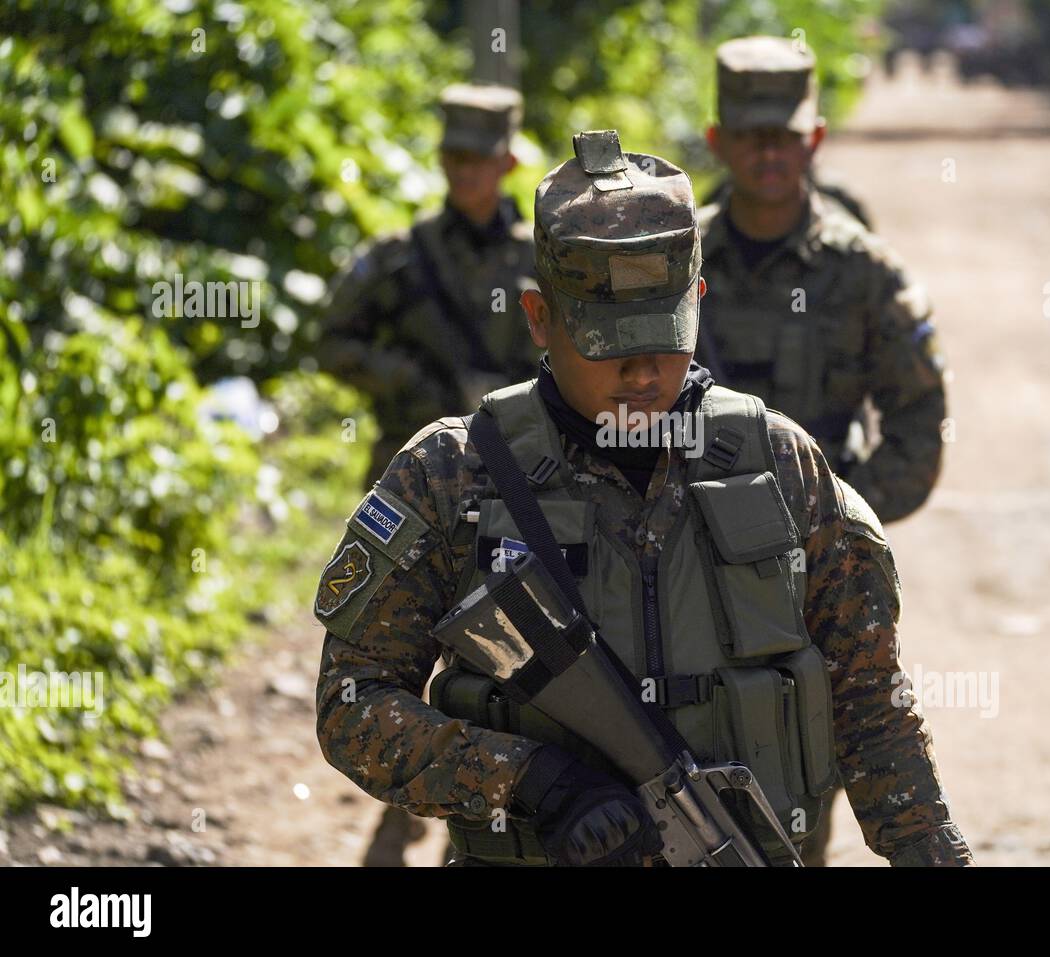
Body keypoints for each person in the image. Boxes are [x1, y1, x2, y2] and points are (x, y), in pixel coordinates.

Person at [312, 129, 973, 867]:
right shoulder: (450, 472)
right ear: (539, 317)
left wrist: (935, 854)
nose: (642, 373)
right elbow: (353, 703)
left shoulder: (781, 463)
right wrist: (530, 781)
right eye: (606, 340)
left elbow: (871, 704)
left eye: (664, 335)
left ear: (698, 298)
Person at [697, 36, 950, 865]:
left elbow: (918, 421)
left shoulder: (863, 272)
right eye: (751, 134)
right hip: (675, 570)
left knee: (797, 807)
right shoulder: (671, 264)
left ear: (815, 138)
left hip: (810, 593)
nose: (769, 152)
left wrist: (839, 521)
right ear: (717, 141)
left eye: (786, 135)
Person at [317, 81, 539, 866]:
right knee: (392, 644)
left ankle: (486, 804)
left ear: (509, 160)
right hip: (413, 485)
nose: (466, 172)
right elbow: (332, 339)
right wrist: (404, 382)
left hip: (517, 490)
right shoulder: (401, 258)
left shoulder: (540, 258)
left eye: (480, 158)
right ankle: (405, 783)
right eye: (454, 156)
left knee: (500, 653)